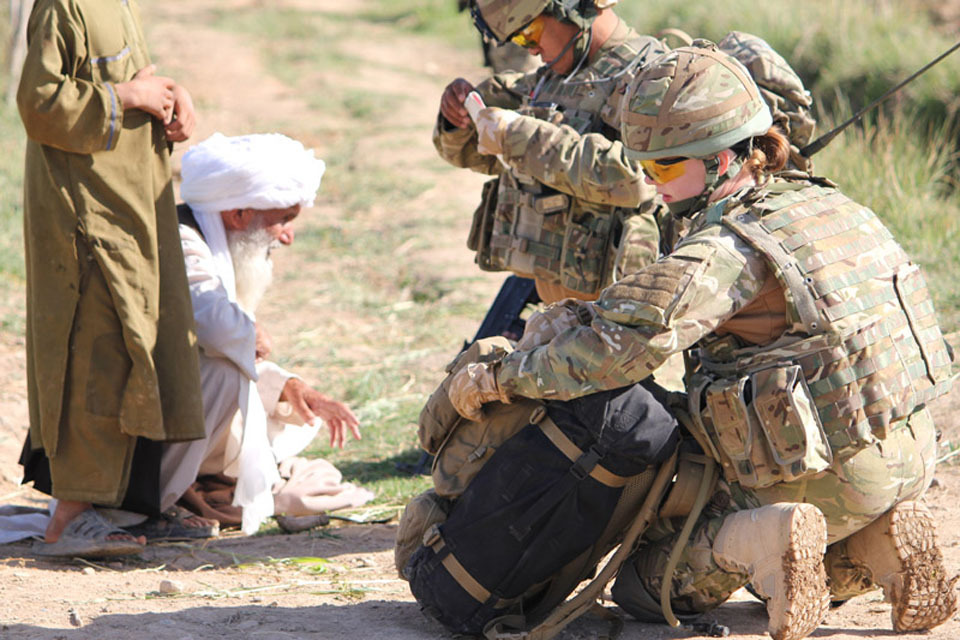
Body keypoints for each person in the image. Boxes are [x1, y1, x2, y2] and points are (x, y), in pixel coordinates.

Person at [446, 43, 957, 640]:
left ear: (721, 158)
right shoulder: (835, 205)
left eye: (664, 168)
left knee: (645, 584)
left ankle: (774, 530)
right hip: (909, 452)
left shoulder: (726, 248)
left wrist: (498, 378)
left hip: (822, 474)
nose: (648, 180)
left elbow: (614, 349)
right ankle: (879, 542)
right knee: (798, 556)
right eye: (642, 165)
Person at [16, 0, 206, 557]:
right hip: (85, 214)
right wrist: (125, 98)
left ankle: (128, 506)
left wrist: (168, 97)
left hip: (131, 206)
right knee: (92, 352)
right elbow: (40, 104)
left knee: (136, 348)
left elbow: (127, 80)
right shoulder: (63, 6)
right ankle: (70, 517)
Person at [157, 133, 372, 536]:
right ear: (238, 214)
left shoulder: (222, 245)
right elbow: (216, 331)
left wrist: (289, 385)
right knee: (225, 374)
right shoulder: (181, 239)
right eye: (283, 219)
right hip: (141, 419)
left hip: (178, 412)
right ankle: (160, 501)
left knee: (297, 489)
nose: (288, 237)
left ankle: (205, 487)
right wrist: (251, 332)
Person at [436, 0, 666, 304]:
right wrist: (456, 116)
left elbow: (646, 179)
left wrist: (521, 137)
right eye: (520, 40)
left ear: (573, 8)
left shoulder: (655, 80)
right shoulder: (549, 80)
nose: (531, 49)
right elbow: (467, 153)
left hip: (623, 314)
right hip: (561, 306)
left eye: (529, 32)